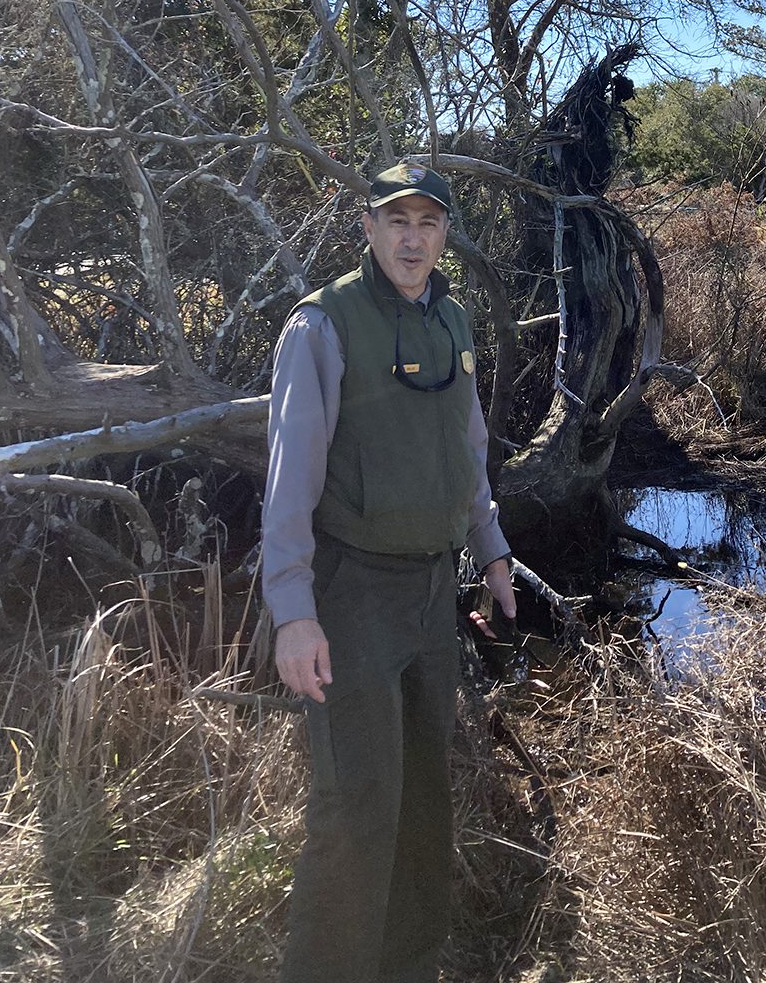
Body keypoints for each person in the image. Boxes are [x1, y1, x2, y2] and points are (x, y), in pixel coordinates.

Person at [263, 160, 516, 983]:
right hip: (351, 594)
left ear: (445, 235)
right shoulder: (321, 327)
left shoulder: (454, 319)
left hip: (432, 591)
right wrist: (293, 611)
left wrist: (492, 548)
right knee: (353, 813)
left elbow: (467, 450)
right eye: (396, 221)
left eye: (429, 223)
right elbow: (288, 483)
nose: (413, 238)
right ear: (367, 229)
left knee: (423, 803)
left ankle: (409, 966)